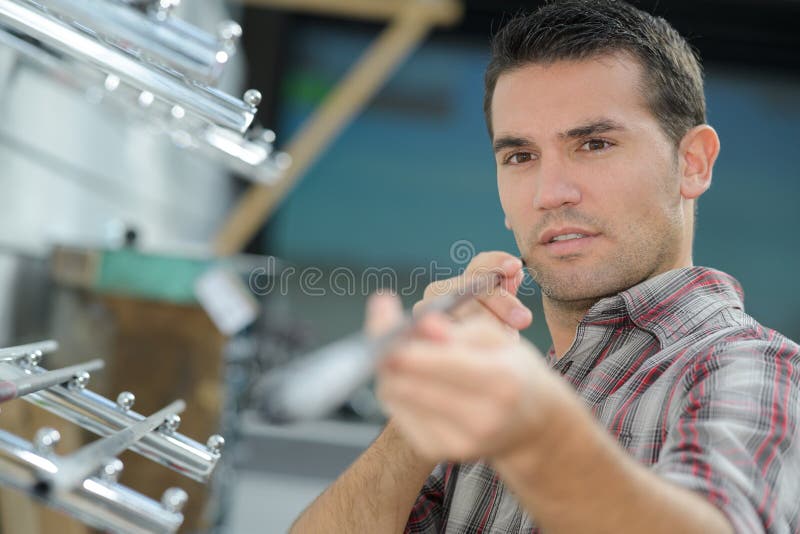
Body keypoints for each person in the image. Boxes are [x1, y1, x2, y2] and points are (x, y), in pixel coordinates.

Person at [291, 1, 800, 532]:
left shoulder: (752, 366)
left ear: (692, 164)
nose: (550, 193)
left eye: (595, 144)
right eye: (520, 157)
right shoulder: (500, 394)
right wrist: (416, 423)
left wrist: (533, 435)